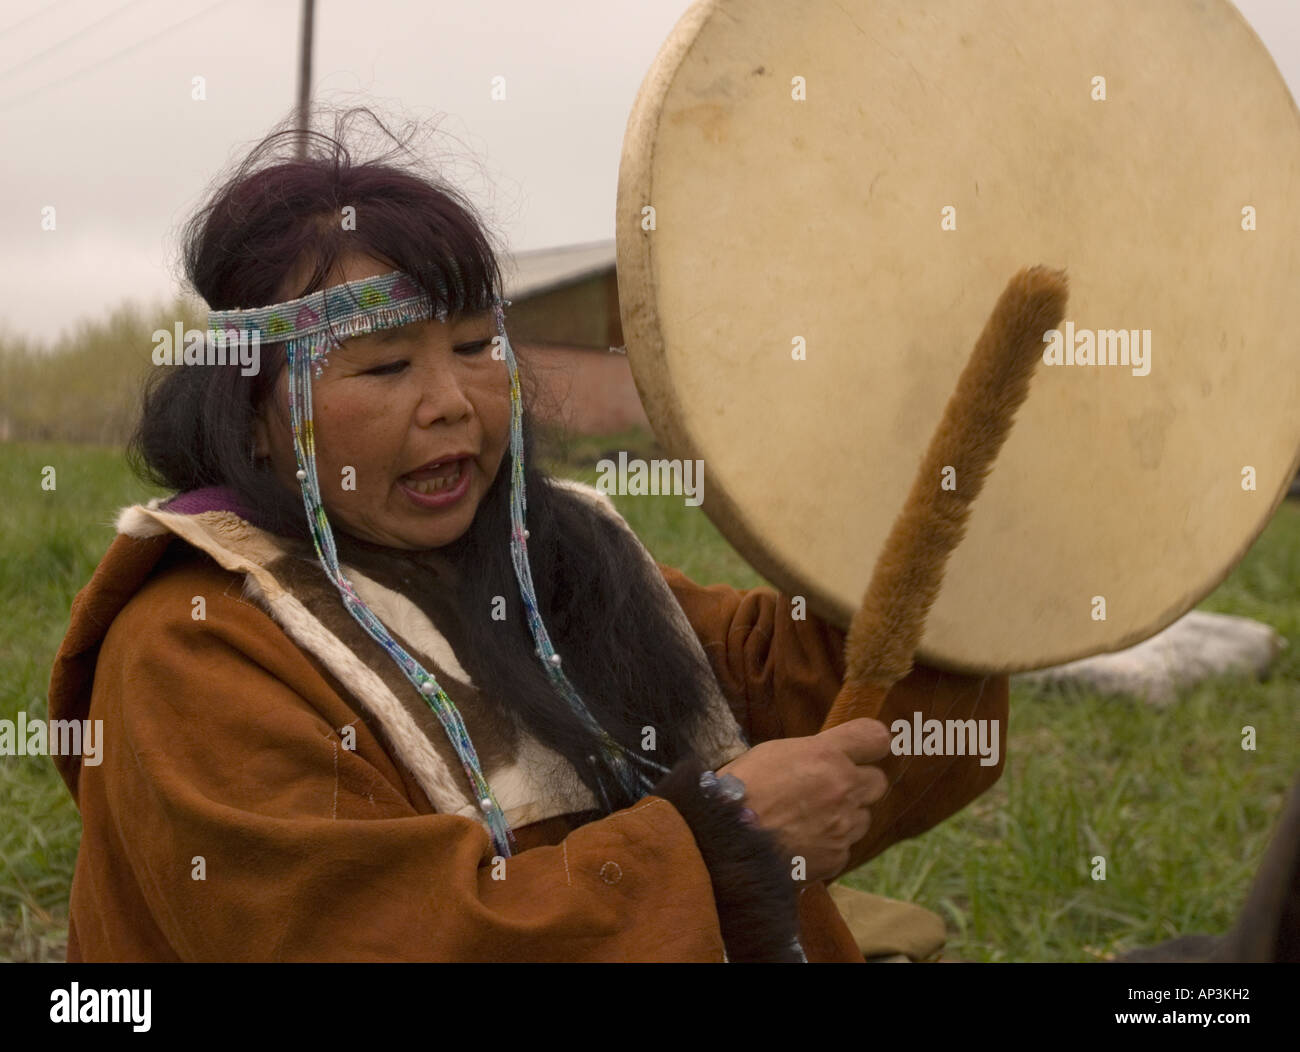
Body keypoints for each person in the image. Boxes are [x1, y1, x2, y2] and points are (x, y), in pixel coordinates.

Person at [47, 110, 1007, 962]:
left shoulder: (557, 550)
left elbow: (807, 701)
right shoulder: (196, 642)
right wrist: (718, 843)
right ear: (253, 412)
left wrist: (935, 539)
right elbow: (355, 933)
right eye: (385, 367)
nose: (453, 403)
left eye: (475, 348)